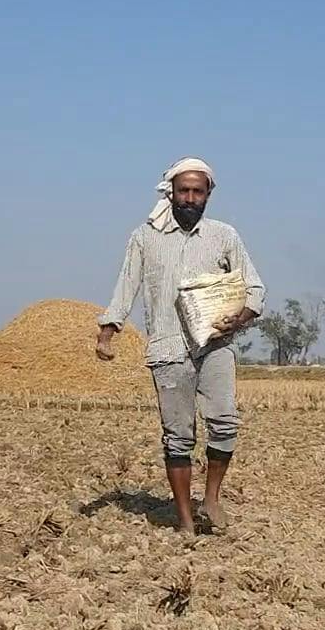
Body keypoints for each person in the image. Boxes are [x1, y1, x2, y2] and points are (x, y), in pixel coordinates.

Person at [97, 158, 265, 537]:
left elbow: (255, 290)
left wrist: (238, 317)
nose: (190, 198)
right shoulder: (145, 236)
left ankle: (211, 498)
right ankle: (185, 520)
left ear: (209, 194)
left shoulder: (225, 236)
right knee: (179, 435)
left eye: (197, 192)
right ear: (170, 192)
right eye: (183, 191)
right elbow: (127, 285)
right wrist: (108, 330)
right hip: (168, 348)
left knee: (224, 422)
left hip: (215, 345)